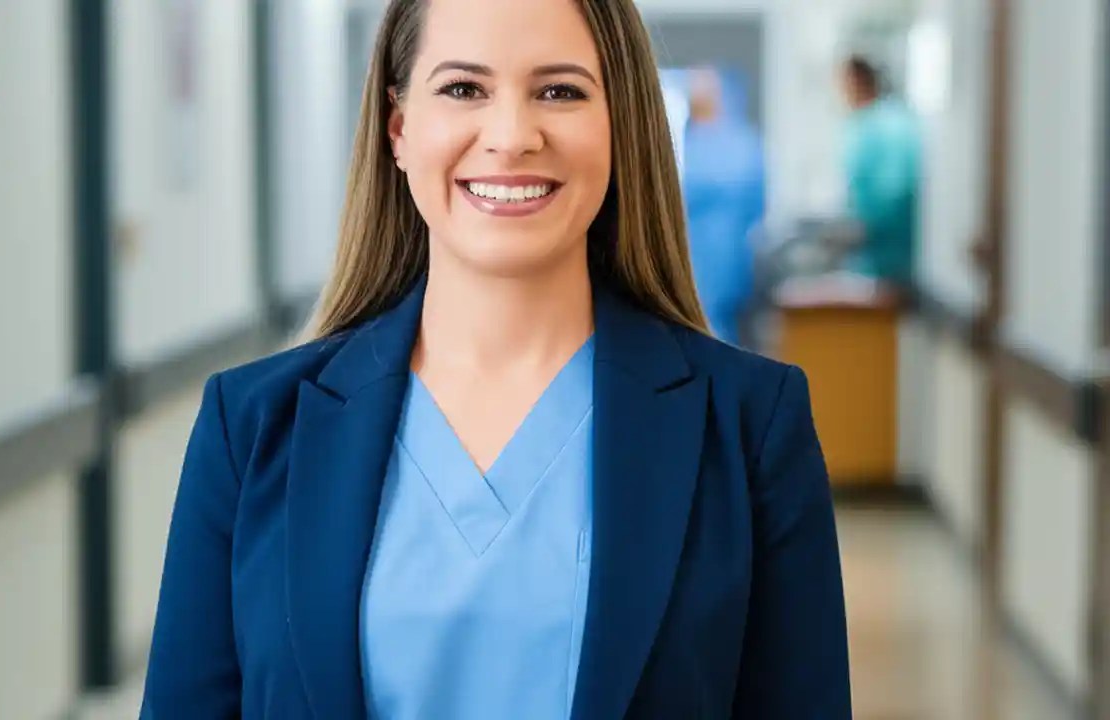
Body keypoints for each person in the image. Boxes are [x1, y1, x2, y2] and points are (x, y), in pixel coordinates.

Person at [140, 1, 850, 718]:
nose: (511, 137)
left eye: (560, 91)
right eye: (463, 88)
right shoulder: (252, 430)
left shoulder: (751, 429)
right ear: (399, 129)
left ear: (621, 127)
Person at [682, 66, 766, 346]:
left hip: (727, 257)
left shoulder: (738, 143)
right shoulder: (690, 144)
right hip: (701, 254)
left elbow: (757, 203)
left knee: (718, 324)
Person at [839, 55, 921, 289]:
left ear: (857, 81)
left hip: (887, 254)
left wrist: (861, 228)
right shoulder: (867, 124)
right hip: (873, 255)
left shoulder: (885, 126)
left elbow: (894, 191)